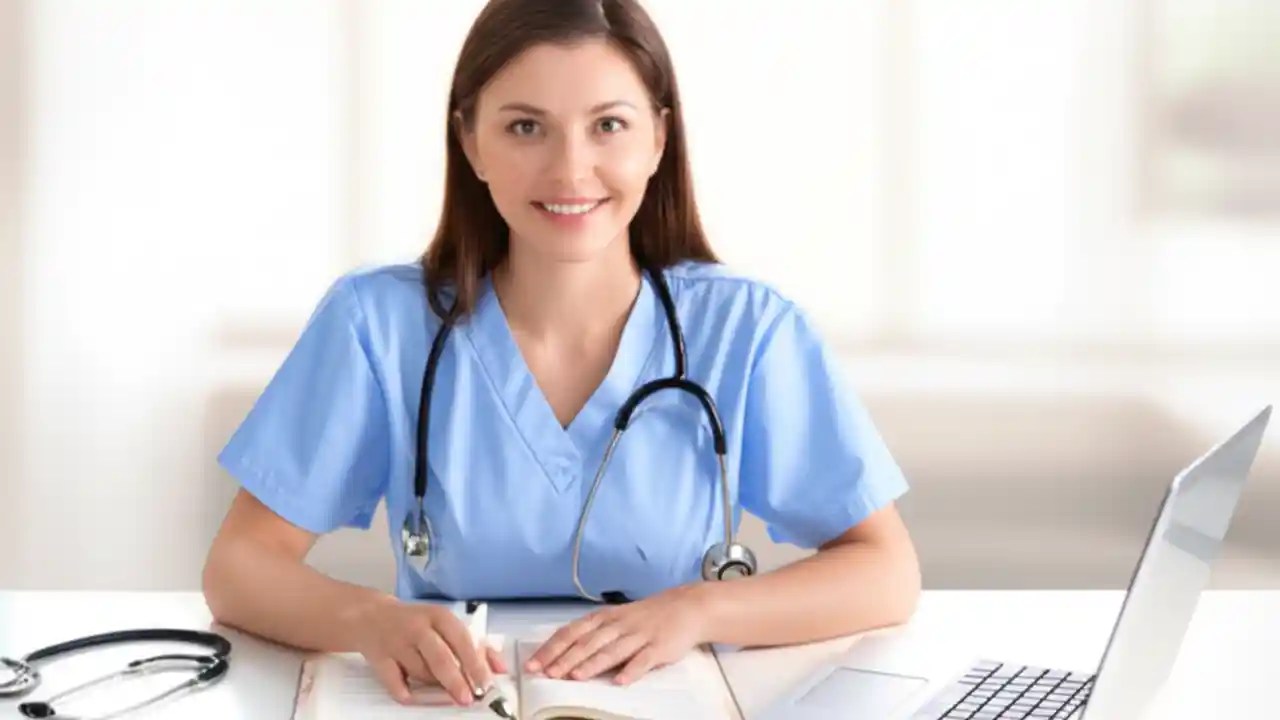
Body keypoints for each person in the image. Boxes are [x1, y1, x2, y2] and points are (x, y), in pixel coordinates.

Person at [202, 0, 920, 710]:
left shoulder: (749, 329)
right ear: (470, 142)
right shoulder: (376, 325)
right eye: (525, 127)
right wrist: (368, 619)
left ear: (659, 138)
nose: (571, 171)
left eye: (608, 125)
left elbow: (884, 570)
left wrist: (697, 611)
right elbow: (239, 568)